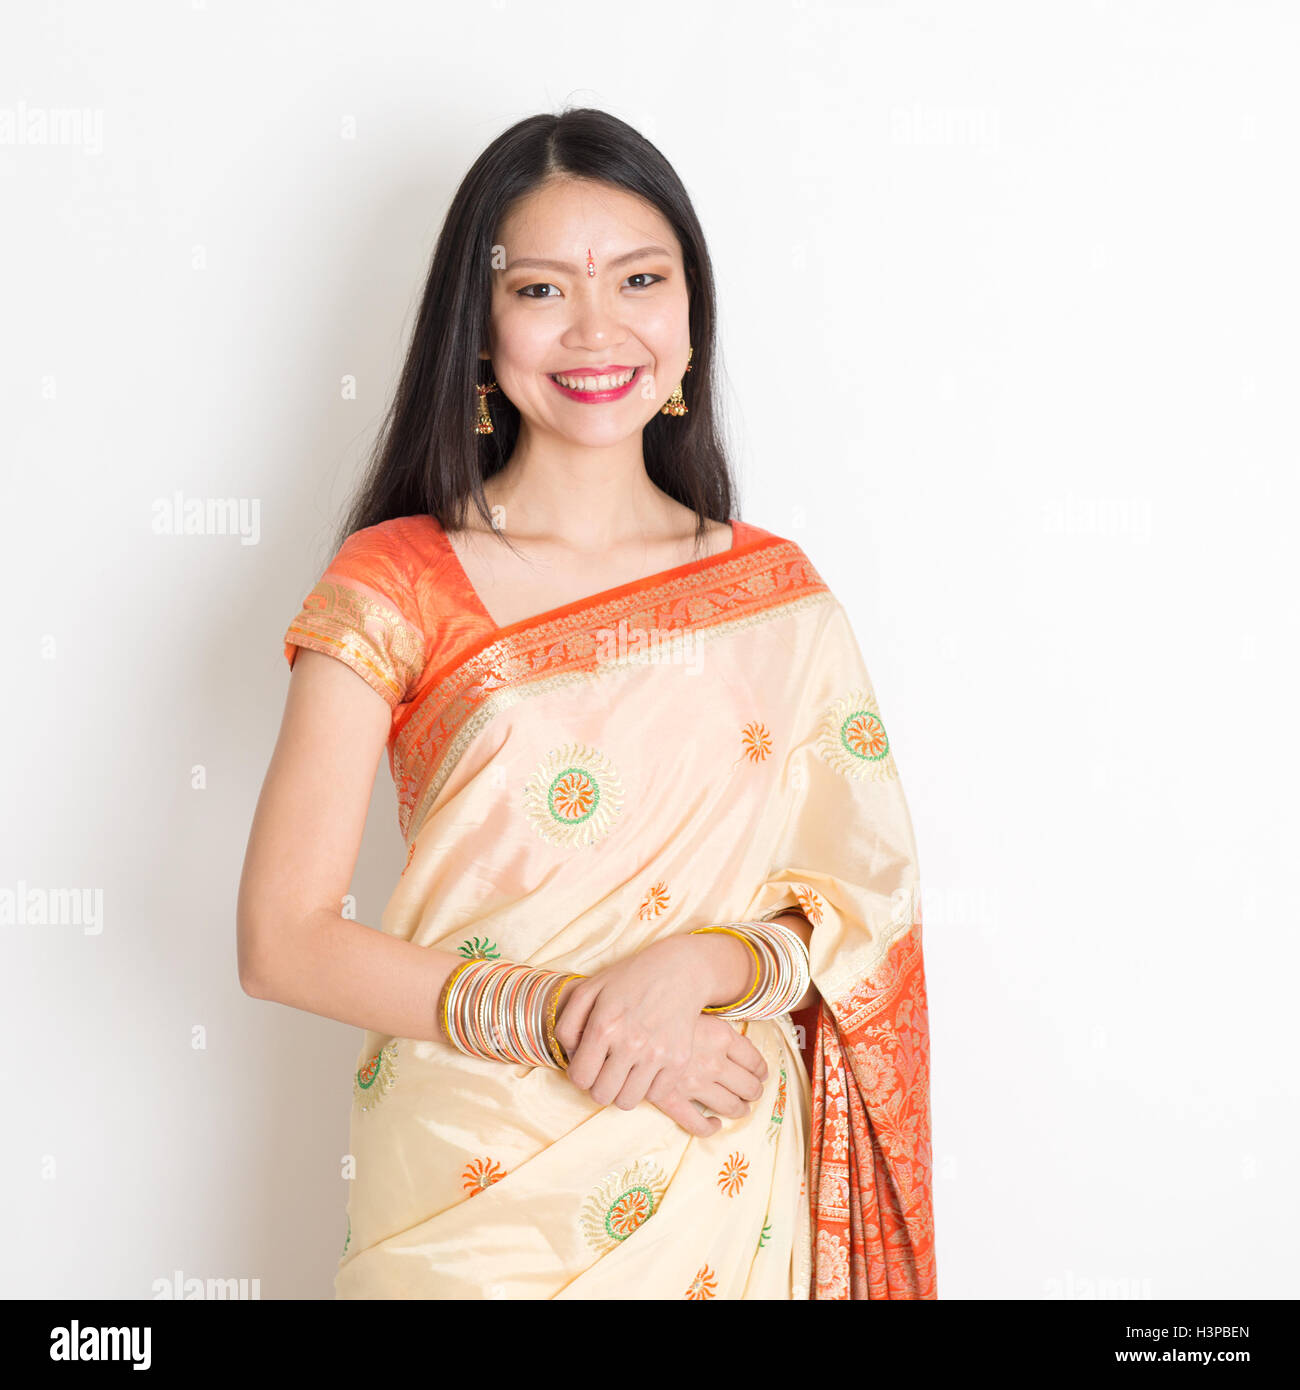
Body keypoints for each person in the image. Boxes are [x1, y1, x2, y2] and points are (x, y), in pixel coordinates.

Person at [237, 107, 936, 1300]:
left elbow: (860, 917)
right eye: (544, 290)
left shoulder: (779, 600)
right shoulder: (396, 580)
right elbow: (281, 939)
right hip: (471, 1188)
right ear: (480, 325)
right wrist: (577, 1017)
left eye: (638, 280)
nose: (597, 328)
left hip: (712, 1171)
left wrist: (701, 967)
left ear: (689, 316)